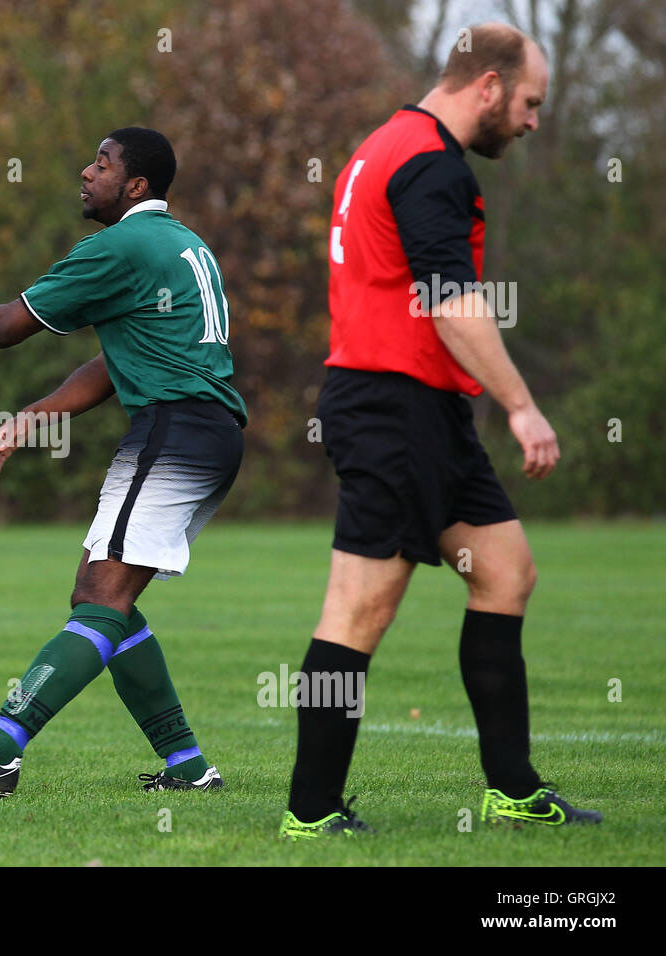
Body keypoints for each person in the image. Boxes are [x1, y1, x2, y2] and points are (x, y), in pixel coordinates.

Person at [279, 23, 601, 837]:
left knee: (504, 570)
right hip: (391, 409)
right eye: (531, 103)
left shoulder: (385, 144)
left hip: (422, 410)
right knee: (357, 610)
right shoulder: (428, 163)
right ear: (488, 86)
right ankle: (310, 813)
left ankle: (512, 790)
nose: (533, 122)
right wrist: (522, 404)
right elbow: (451, 302)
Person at [0, 127, 247, 795]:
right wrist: (33, 416)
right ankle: (189, 768)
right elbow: (118, 363)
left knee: (101, 599)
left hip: (175, 431)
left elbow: (4, 325)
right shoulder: (180, 243)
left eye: (103, 164)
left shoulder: (121, 245)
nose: (87, 172)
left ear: (136, 186)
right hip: (202, 431)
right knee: (102, 597)